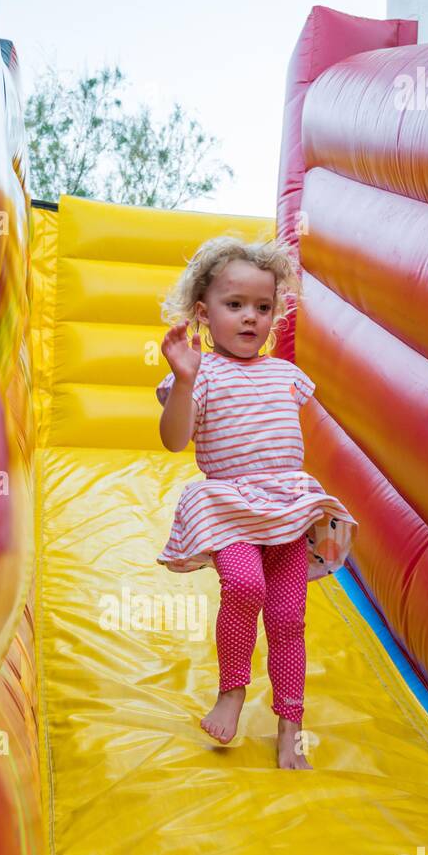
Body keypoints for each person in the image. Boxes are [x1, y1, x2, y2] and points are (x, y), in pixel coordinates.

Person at [155, 234, 358, 770]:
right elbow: (175, 440)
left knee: (289, 617)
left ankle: (291, 723)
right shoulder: (200, 375)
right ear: (204, 313)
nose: (251, 318)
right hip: (228, 508)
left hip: (287, 509)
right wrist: (182, 380)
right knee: (244, 586)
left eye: (263, 307)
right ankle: (232, 691)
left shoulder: (286, 375)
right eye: (235, 305)